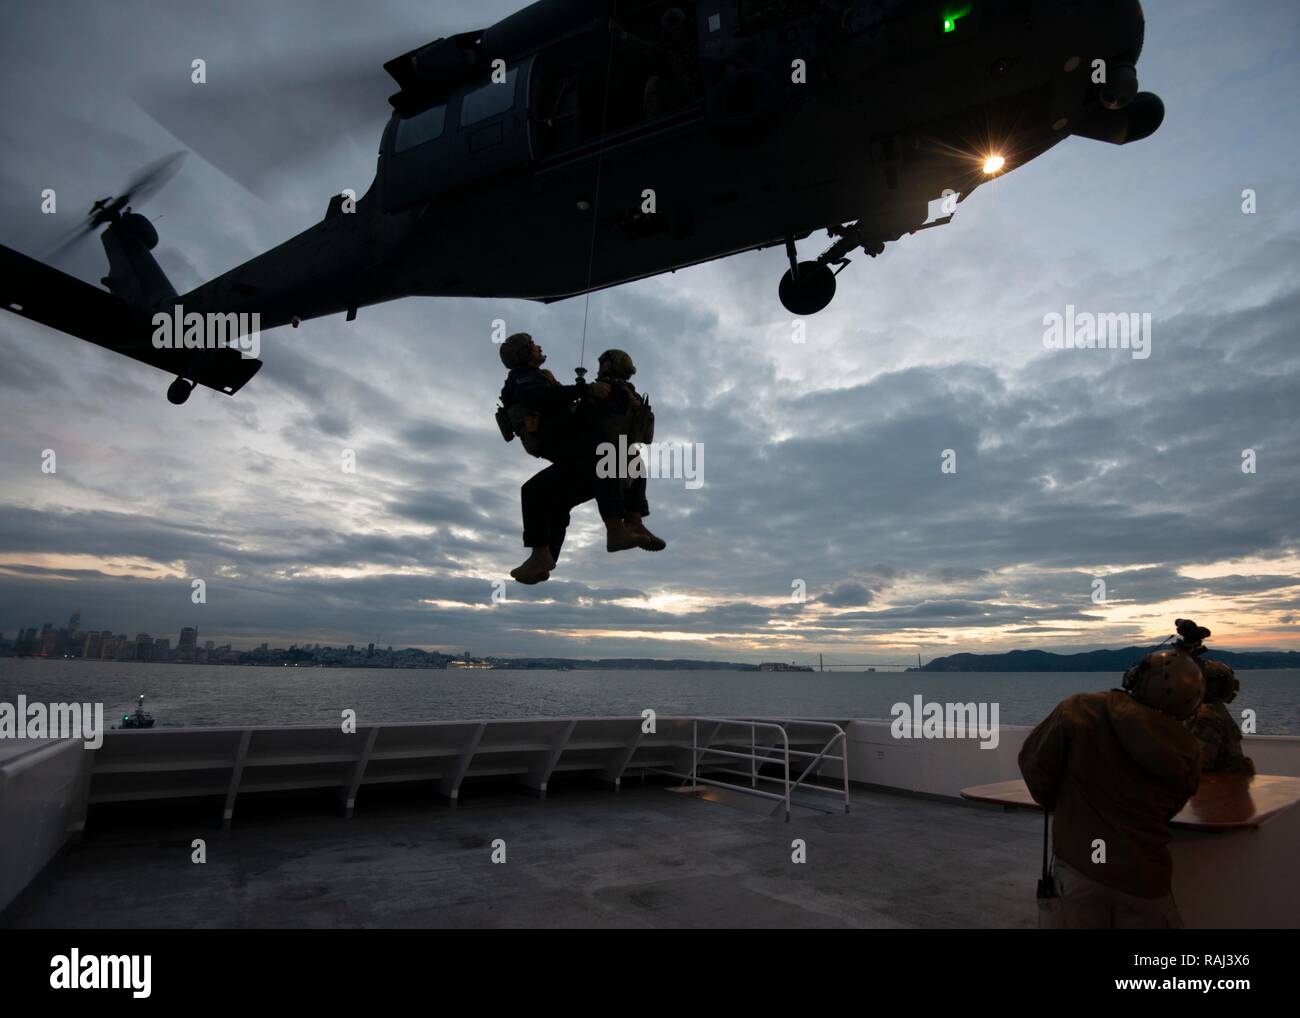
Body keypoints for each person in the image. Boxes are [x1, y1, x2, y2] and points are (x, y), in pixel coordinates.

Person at [1018, 634, 1205, 928]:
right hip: (1145, 879)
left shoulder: (1079, 710)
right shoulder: (1188, 748)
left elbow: (1036, 770)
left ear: (1137, 678)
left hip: (1080, 868)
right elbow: (1171, 806)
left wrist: (1065, 801)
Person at [497, 333, 642, 584]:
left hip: (576, 453)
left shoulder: (537, 378)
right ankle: (549, 555)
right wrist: (586, 389)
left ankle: (547, 554)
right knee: (552, 497)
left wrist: (586, 393)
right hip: (573, 451)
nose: (538, 346)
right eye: (532, 345)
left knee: (536, 492)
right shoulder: (522, 377)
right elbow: (541, 398)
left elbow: (556, 400)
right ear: (521, 354)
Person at [592, 348, 666, 551]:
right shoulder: (603, 389)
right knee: (611, 461)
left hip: (622, 447)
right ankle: (615, 531)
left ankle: (634, 522)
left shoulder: (626, 390)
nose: (628, 363)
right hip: (601, 450)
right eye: (623, 360)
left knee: (636, 464)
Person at [609, 7, 699, 119]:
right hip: (678, 95)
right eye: (674, 28)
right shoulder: (664, 49)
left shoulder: (698, 42)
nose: (678, 30)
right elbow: (643, 46)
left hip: (699, 93)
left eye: (679, 26)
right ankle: (652, 122)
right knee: (653, 83)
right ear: (668, 32)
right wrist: (621, 33)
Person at [1187, 659, 1255, 775]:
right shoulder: (1216, 709)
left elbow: (1198, 763)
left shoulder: (1205, 715)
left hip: (1219, 785)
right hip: (1227, 783)